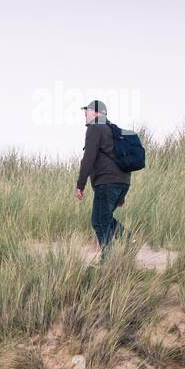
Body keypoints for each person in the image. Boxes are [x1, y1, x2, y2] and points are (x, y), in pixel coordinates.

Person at [75, 99, 131, 253]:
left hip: (107, 182)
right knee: (104, 218)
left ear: (97, 113)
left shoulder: (95, 128)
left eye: (88, 110)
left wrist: (80, 185)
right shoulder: (114, 130)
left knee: (98, 221)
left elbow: (88, 158)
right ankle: (128, 239)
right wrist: (122, 191)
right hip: (122, 182)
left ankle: (108, 258)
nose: (85, 114)